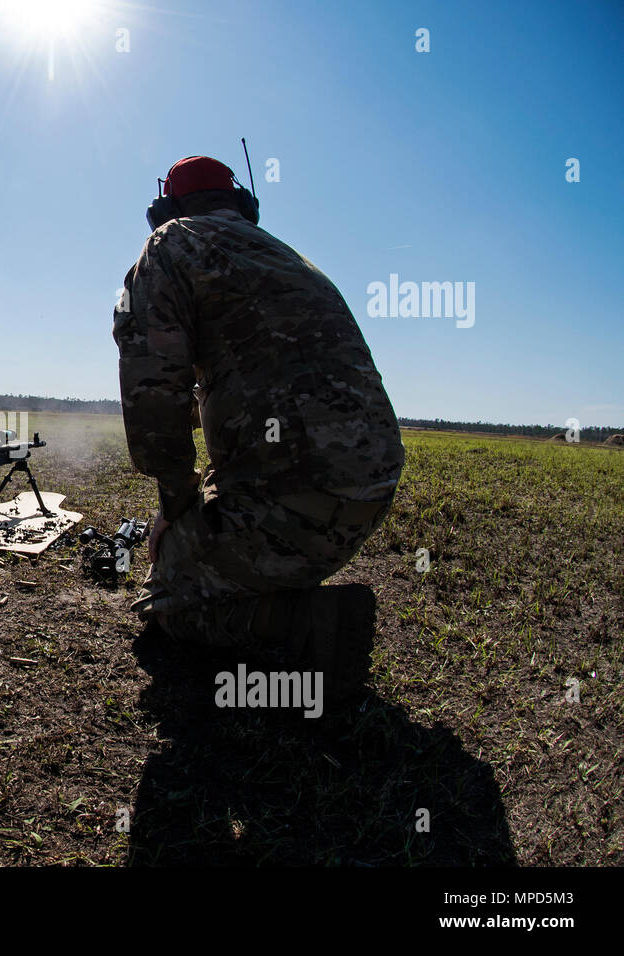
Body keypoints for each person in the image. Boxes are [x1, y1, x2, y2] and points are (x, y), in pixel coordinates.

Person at [113, 155, 404, 689]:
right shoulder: (291, 258)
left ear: (165, 208)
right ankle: (263, 576)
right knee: (220, 531)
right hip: (371, 487)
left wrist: (175, 514)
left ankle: (308, 626)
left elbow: (153, 389)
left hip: (296, 496)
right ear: (243, 205)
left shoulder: (173, 243)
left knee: (165, 602)